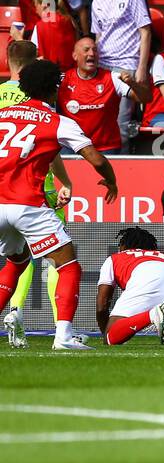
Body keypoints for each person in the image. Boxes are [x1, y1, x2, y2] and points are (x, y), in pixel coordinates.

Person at [0, 58, 117, 351]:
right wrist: (111, 181)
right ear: (54, 90)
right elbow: (96, 158)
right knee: (68, 264)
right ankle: (63, 336)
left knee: (16, 261)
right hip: (27, 205)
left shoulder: (2, 116)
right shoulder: (58, 121)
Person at [0, 42, 74, 348]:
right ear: (35, 63)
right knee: (57, 257)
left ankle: (13, 312)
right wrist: (63, 181)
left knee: (16, 257)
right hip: (35, 185)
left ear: (8, 60)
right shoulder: (39, 95)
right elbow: (48, 142)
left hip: (3, 184)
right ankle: (61, 329)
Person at [89, 0, 152, 142]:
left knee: (121, 123)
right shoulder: (96, 2)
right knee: (100, 119)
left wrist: (141, 68)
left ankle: (122, 165)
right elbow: (98, 37)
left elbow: (146, 32)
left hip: (126, 66)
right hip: (103, 67)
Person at [58, 35, 149, 154]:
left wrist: (132, 83)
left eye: (95, 50)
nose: (92, 53)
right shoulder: (62, 80)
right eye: (86, 50)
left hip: (105, 148)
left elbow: (146, 98)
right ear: (75, 56)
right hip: (71, 147)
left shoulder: (113, 77)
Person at [28, 0, 81, 71]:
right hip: (71, 74)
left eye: (36, 6)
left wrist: (18, 38)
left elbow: (32, 54)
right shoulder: (70, 21)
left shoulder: (40, 25)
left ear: (45, 5)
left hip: (49, 76)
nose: (36, 11)